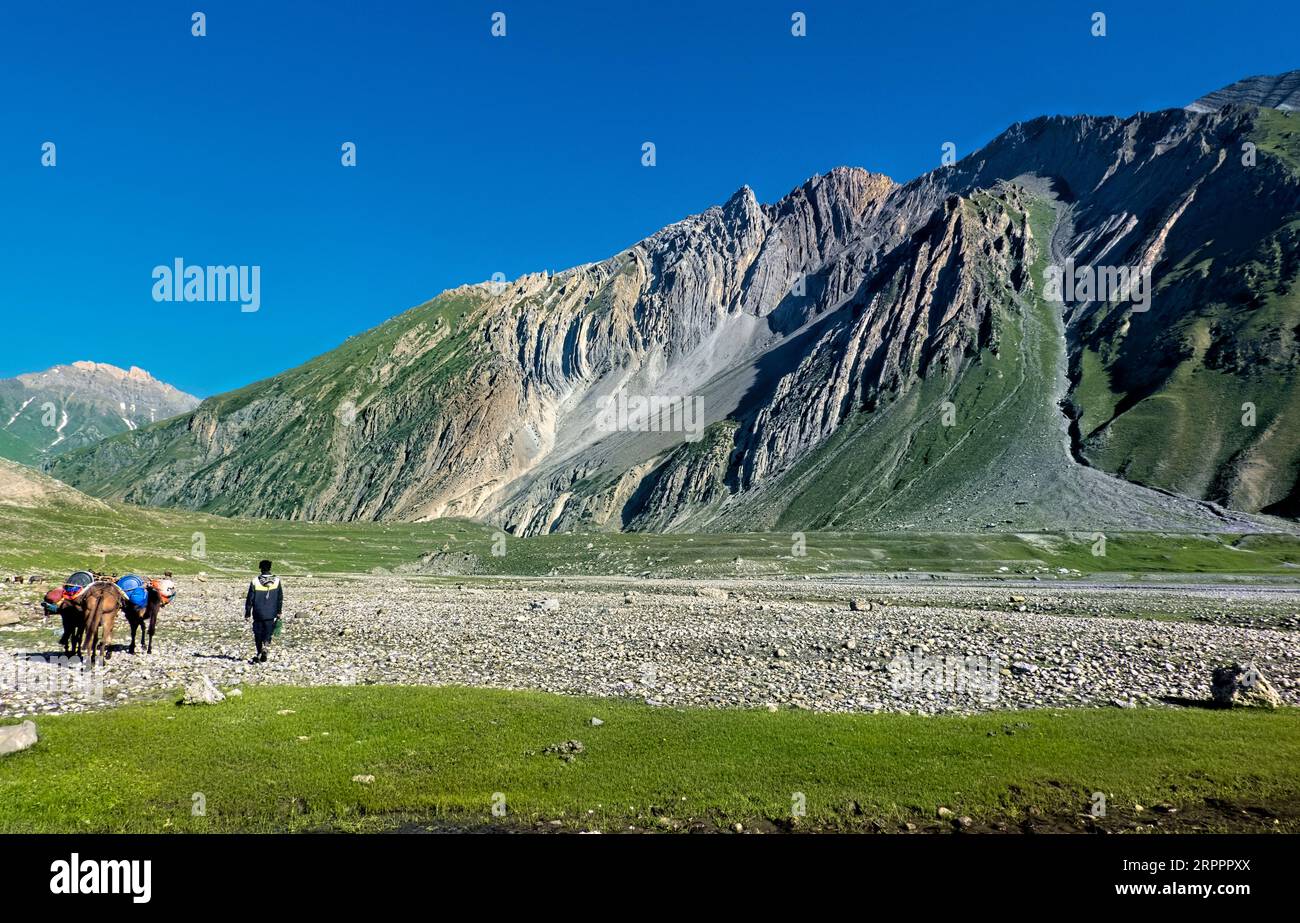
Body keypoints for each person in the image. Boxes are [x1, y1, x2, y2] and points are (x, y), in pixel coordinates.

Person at [244, 560, 283, 663]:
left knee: (258, 633)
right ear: (270, 568)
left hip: (258, 612)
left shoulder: (255, 581)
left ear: (260, 568)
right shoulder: (277, 581)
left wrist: (248, 612)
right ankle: (265, 647)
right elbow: (280, 598)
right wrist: (279, 611)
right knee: (268, 632)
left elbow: (250, 598)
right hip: (271, 612)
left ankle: (259, 652)